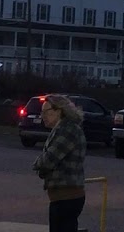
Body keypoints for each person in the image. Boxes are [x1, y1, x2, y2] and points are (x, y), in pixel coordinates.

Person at [32, 94, 87, 232]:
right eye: (42, 112)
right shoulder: (60, 129)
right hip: (61, 197)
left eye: (46, 111)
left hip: (67, 197)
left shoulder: (68, 130)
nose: (43, 115)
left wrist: (38, 165)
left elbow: (49, 159)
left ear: (59, 110)